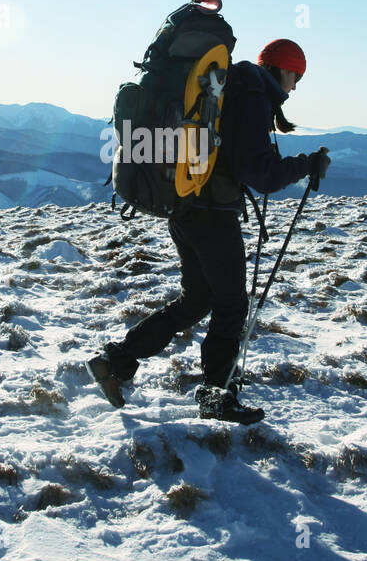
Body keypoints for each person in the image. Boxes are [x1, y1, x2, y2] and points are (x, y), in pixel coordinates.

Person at [88, 38, 331, 423]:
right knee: (231, 305)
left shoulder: (232, 83)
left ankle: (115, 361)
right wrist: (306, 165)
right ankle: (218, 395)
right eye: (295, 76)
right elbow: (259, 172)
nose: (295, 86)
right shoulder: (251, 93)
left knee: (197, 299)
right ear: (281, 69)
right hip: (211, 213)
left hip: (185, 205)